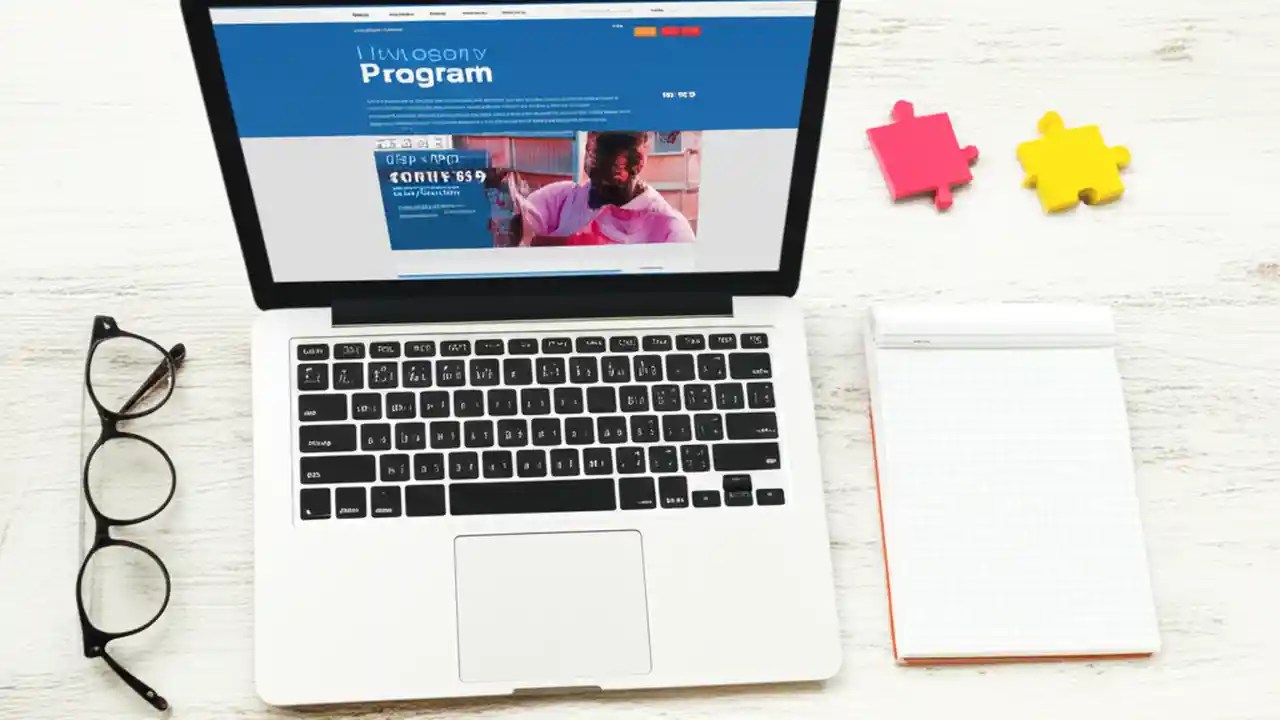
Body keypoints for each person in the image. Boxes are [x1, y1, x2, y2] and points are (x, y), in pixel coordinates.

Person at [517, 132, 695, 246]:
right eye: (593, 179)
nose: (597, 193)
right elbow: (520, 226)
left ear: (639, 162)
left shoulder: (670, 230)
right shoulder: (561, 199)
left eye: (610, 184)